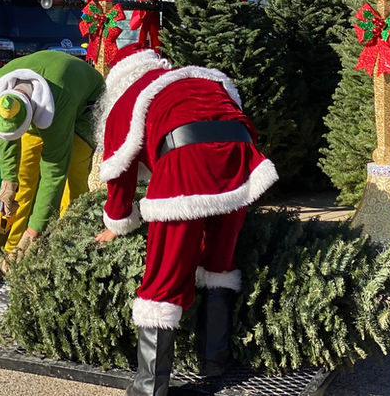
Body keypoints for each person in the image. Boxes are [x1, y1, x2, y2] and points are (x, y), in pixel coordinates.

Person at [93, 44, 278, 396]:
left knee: (165, 274)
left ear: (117, 79)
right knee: (219, 260)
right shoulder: (191, 79)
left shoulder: (126, 98)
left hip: (185, 159)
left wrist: (117, 222)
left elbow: (119, 173)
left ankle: (149, 387)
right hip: (241, 153)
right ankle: (214, 362)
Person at [0, 49, 105, 293]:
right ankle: (7, 257)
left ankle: (66, 255)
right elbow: (7, 140)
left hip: (83, 104)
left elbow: (54, 171)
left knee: (73, 178)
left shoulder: (59, 102)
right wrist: (7, 185)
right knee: (23, 177)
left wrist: (33, 232)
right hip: (41, 101)